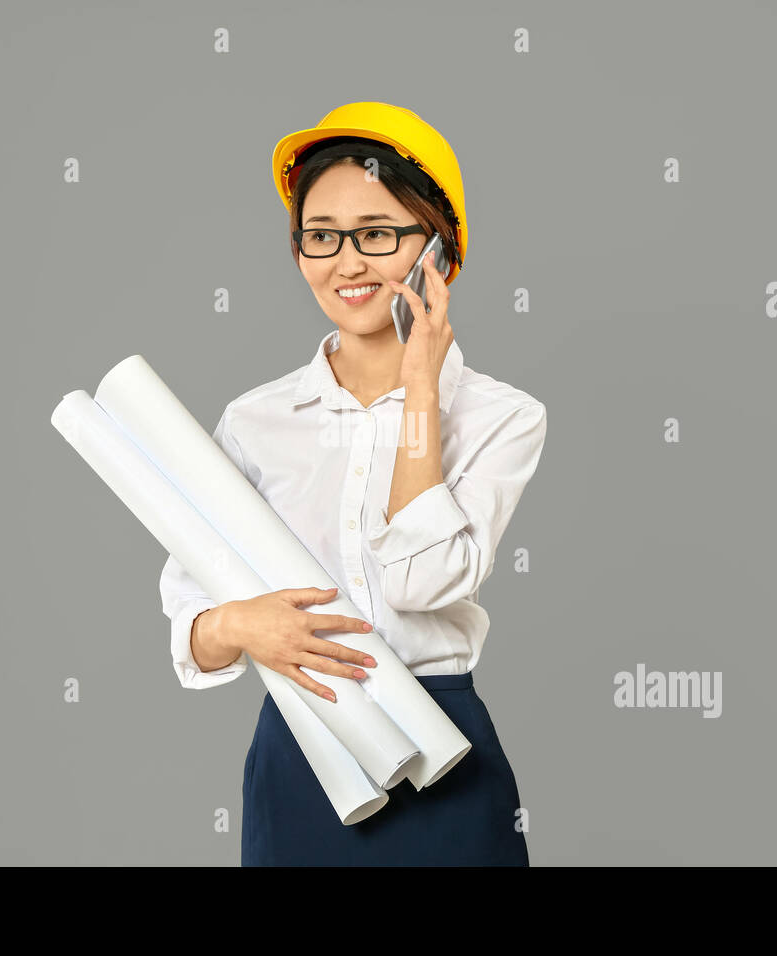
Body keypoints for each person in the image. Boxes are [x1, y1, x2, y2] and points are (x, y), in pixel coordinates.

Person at [159, 102, 547, 865]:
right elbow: (191, 630)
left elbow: (420, 580)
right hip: (302, 750)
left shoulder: (505, 417)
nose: (347, 263)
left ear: (439, 247)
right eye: (321, 236)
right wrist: (242, 628)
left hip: (444, 750)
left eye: (377, 234)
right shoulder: (255, 419)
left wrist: (420, 393)